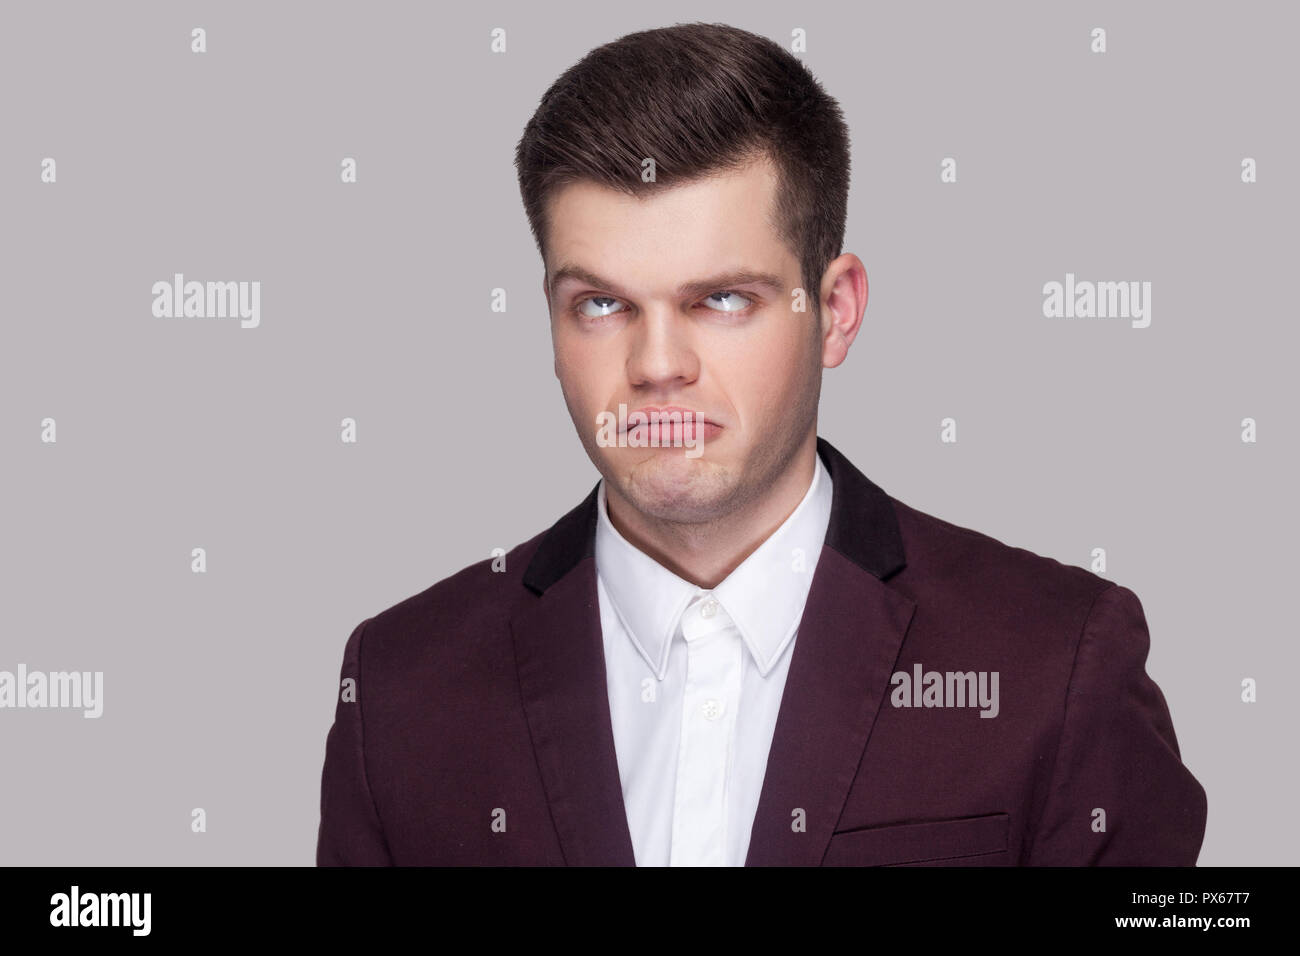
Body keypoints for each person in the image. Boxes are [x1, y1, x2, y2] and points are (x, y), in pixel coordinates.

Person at [316, 21, 1207, 866]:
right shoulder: (399, 694)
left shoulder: (1055, 660)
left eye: (723, 299)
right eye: (601, 304)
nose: (657, 364)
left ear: (837, 313)